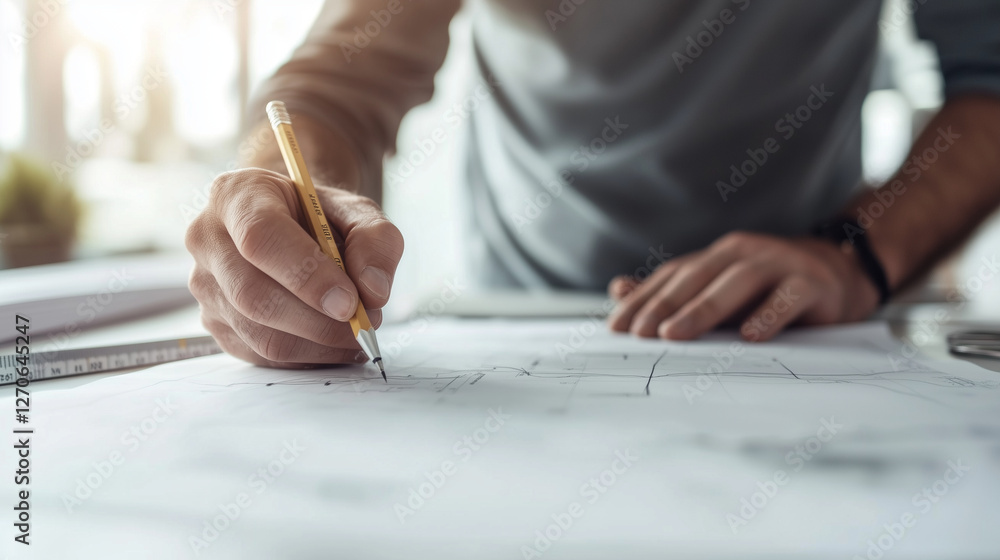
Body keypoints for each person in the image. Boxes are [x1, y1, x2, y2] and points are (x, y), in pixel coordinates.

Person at [185, 0, 1000, 366]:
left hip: (804, 325)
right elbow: (334, 90)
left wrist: (855, 254)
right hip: (516, 322)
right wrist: (279, 198)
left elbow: (990, 80)